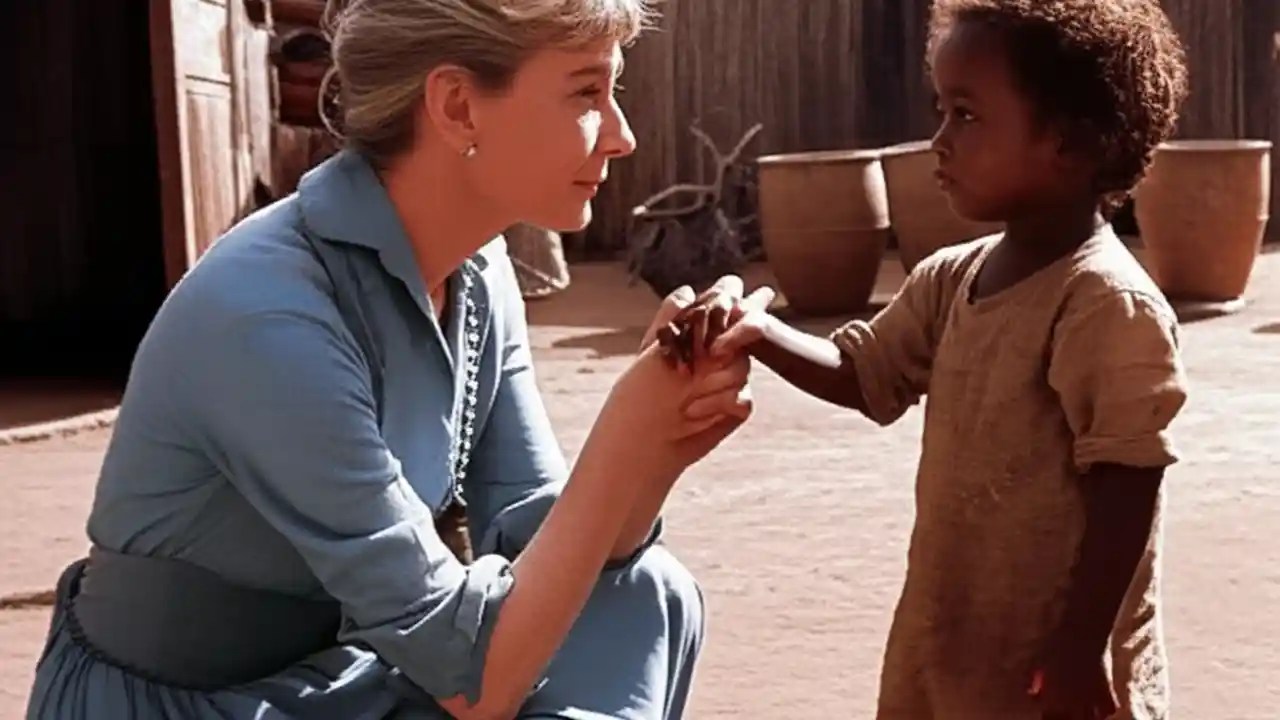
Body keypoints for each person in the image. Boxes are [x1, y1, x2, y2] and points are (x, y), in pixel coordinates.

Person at [26, 1, 767, 718]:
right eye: (587, 92)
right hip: (196, 703)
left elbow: (539, 536)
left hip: (349, 674)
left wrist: (660, 442)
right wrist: (624, 441)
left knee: (646, 592)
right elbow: (475, 681)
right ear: (456, 107)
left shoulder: (477, 271)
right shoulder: (266, 315)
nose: (622, 135)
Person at [683, 1, 1191, 717]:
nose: (940, 140)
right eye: (942, 110)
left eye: (968, 115)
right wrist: (754, 332)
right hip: (951, 644)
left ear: (1073, 145)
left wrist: (1078, 650)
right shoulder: (951, 277)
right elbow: (865, 375)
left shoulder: (1104, 303)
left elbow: (1128, 485)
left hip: (1053, 669)